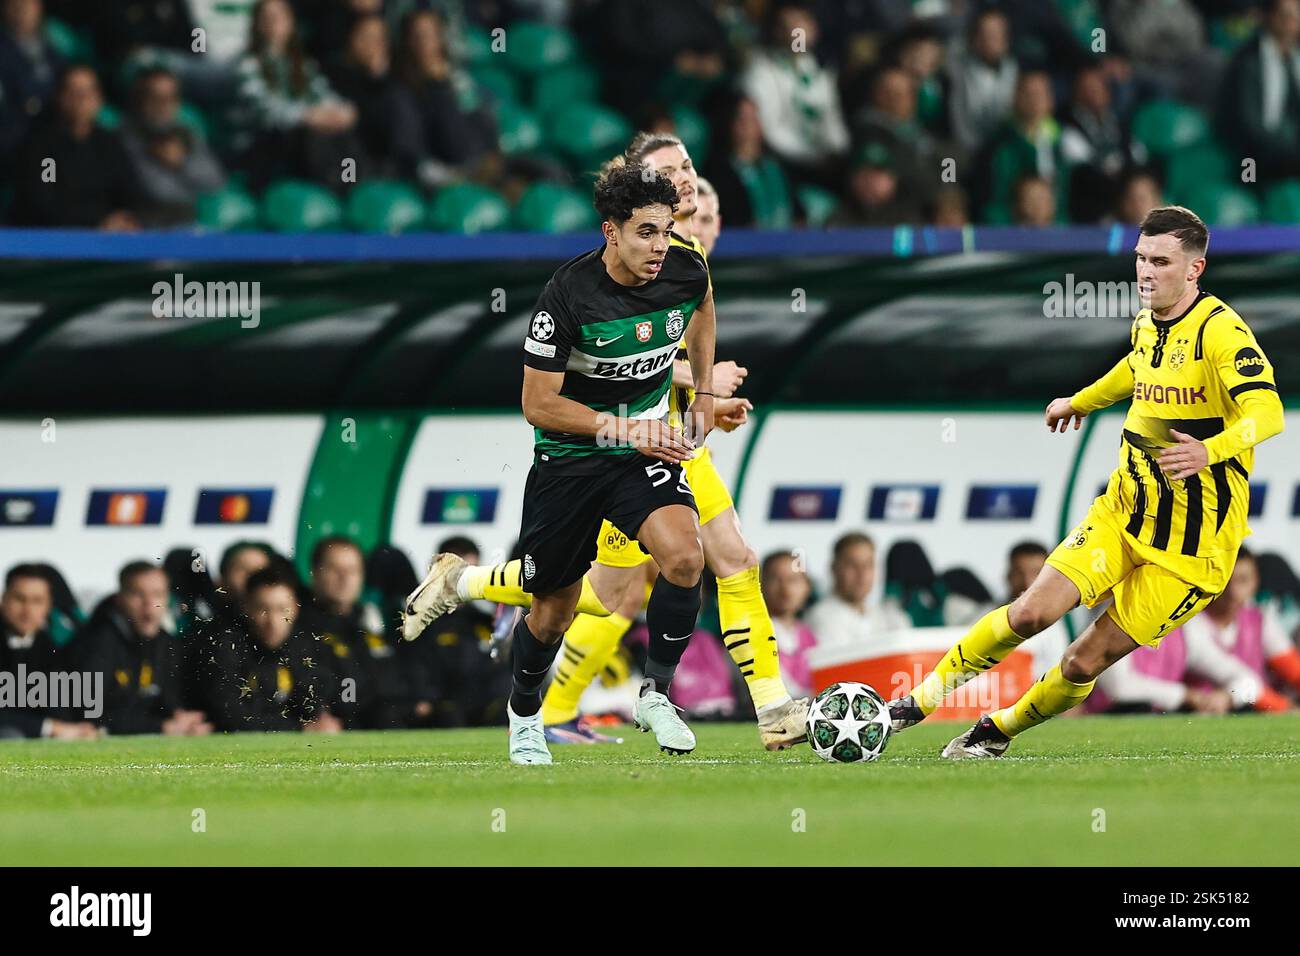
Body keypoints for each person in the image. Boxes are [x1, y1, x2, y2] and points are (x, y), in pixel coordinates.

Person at [405, 132, 809, 753]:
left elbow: (699, 312)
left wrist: (702, 397)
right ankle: (515, 684)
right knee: (567, 602)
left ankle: (682, 699)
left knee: (698, 557)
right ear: (612, 229)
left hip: (652, 447)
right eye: (648, 225)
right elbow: (537, 403)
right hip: (572, 461)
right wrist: (640, 417)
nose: (685, 187)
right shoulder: (566, 296)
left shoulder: (685, 261)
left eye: (689, 173)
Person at [890, 205, 1286, 757]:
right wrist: (1079, 401)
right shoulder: (1148, 323)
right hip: (1124, 512)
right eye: (1141, 259)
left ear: (1195, 270)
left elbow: (1268, 414)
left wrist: (1209, 452)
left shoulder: (1223, 334)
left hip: (1191, 552)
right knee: (1030, 612)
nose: (1145, 273)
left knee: (1083, 660)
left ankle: (997, 731)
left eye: (1161, 262)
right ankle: (916, 704)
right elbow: (1136, 369)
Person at [202, 565, 346, 733]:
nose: (273, 621)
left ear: (296, 609)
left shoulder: (306, 648)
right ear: (246, 608)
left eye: (282, 609)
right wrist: (300, 728)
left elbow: (320, 704)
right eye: (263, 609)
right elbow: (230, 716)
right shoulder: (226, 646)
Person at [73, 561, 211, 736]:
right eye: (138, 594)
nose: (149, 603)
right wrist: (161, 726)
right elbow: (90, 714)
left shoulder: (168, 644)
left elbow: (168, 700)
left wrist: (179, 716)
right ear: (120, 599)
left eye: (157, 594)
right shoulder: (95, 644)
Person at [8, 64, 142, 228]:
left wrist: (127, 218)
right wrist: (97, 222)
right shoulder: (44, 149)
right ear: (59, 97)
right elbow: (43, 203)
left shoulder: (110, 143)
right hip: (55, 242)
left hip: (108, 239)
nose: (82, 99)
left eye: (88, 92)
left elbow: (132, 192)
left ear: (99, 98)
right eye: (74, 93)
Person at [119, 66, 226, 226]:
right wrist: (187, 187)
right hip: (145, 229)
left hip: (186, 226)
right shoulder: (127, 136)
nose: (163, 105)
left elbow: (215, 181)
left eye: (170, 98)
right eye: (155, 98)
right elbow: (157, 190)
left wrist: (181, 163)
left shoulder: (186, 132)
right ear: (139, 100)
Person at [0, 564, 97, 739]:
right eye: (19, 599)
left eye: (37, 601)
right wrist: (49, 728)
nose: (27, 610)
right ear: (3, 600)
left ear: (48, 606)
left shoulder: (50, 647)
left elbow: (60, 710)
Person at [806, 533, 911, 649]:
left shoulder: (884, 614)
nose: (862, 574)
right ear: (834, 568)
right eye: (852, 565)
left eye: (868, 565)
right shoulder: (821, 618)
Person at [760, 550, 816, 698]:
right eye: (775, 579)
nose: (785, 588)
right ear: (760, 585)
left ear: (807, 586)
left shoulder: (808, 635)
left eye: (793, 580)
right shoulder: (752, 634)